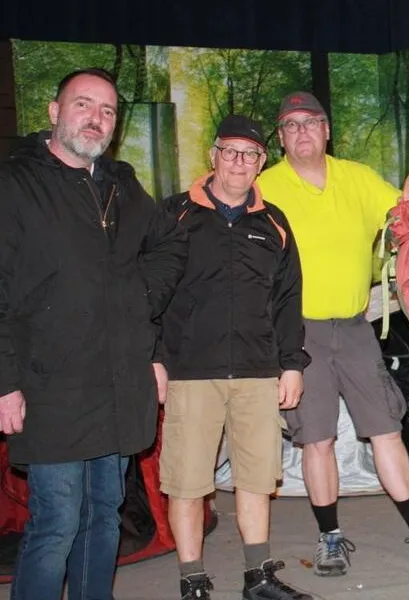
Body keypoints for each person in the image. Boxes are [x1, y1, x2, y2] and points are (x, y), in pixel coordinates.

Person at [256, 91, 409, 576]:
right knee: (314, 439)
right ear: (280, 137)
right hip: (299, 335)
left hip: (355, 328)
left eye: (310, 122)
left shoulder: (356, 177)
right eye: (290, 125)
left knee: (385, 427)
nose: (301, 132)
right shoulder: (264, 187)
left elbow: (405, 220)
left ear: (326, 129)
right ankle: (329, 539)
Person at [0, 68, 188, 600]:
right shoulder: (15, 186)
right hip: (50, 385)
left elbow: (169, 246)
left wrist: (140, 309)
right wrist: (4, 381)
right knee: (57, 521)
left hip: (116, 381)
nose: (96, 118)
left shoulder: (121, 186)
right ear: (55, 112)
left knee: (103, 515)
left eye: (107, 111)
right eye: (83, 105)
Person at [157, 115, 312, 600]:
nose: (240, 162)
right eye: (230, 151)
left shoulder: (274, 222)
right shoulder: (174, 215)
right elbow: (151, 294)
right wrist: (155, 358)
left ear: (262, 162)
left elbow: (288, 299)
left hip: (257, 371)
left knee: (256, 477)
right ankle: (192, 581)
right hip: (190, 372)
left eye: (250, 154)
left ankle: (257, 577)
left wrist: (291, 363)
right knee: (186, 482)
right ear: (213, 155)